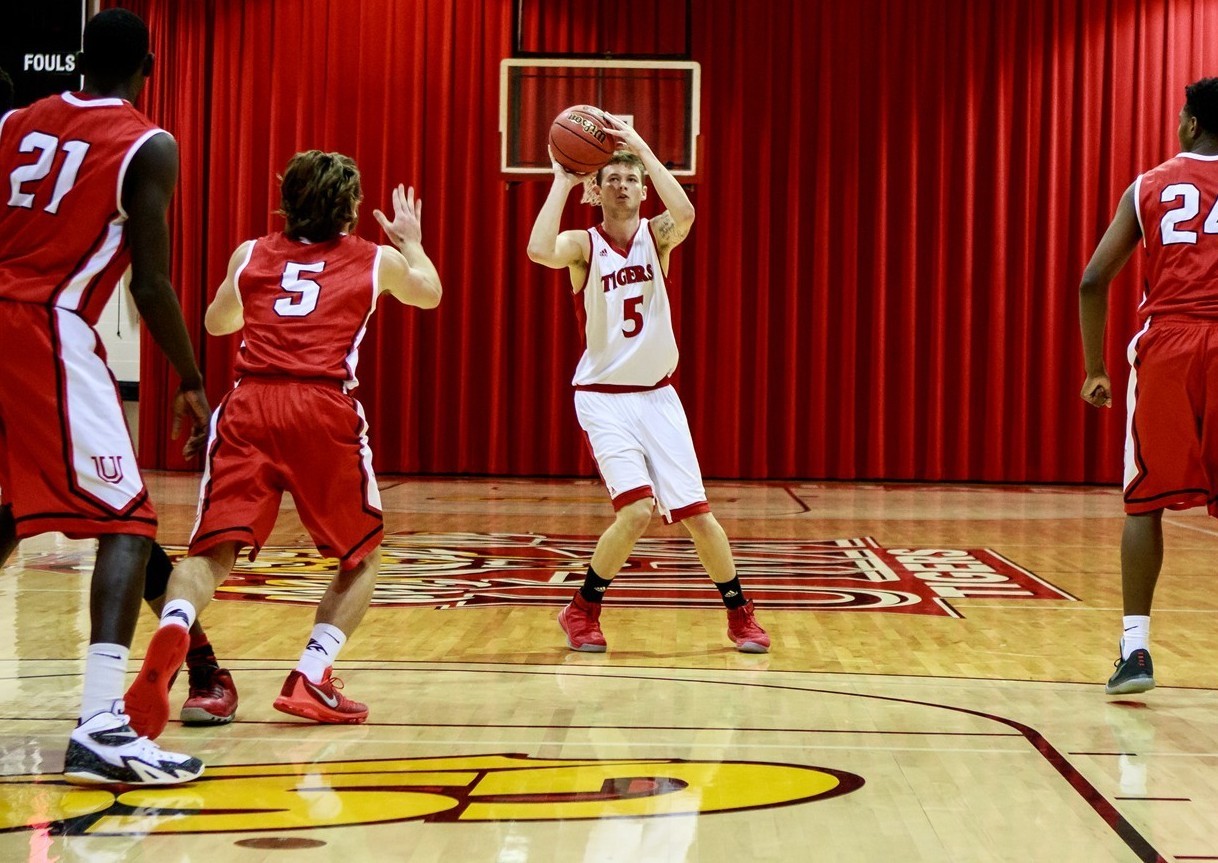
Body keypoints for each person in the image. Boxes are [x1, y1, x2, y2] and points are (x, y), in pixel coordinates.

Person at [125, 151, 443, 739]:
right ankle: (311, 674)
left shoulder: (250, 253)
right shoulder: (377, 260)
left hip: (250, 404)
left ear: (286, 201)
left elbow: (218, 324)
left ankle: (174, 623)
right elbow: (430, 294)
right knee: (362, 555)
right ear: (349, 209)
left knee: (211, 551)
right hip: (323, 408)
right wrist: (413, 241)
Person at [0, 9, 209, 784]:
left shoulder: (15, 122)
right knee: (126, 521)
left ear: (80, 60)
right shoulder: (147, 144)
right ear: (148, 65)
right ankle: (100, 724)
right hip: (48, 327)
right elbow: (150, 283)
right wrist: (189, 378)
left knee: (8, 510)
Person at [526, 114, 770, 654]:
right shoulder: (583, 245)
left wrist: (640, 147)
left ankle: (739, 613)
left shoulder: (657, 237)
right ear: (596, 189)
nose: (623, 184)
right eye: (611, 176)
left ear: (641, 189)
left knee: (699, 517)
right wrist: (562, 180)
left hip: (659, 397)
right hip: (604, 399)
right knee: (635, 512)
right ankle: (582, 610)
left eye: (631, 178)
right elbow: (538, 250)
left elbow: (684, 211)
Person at [1079, 77, 1218, 695]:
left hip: (1170, 345)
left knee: (1145, 501)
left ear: (1190, 124)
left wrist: (1096, 368)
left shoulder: (1151, 185)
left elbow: (1092, 280)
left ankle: (1136, 650)